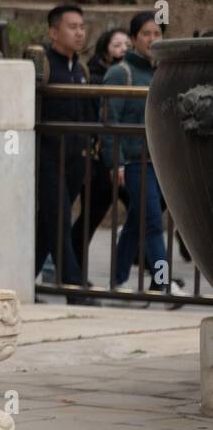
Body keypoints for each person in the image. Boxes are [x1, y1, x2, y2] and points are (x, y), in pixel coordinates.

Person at [101, 11, 183, 296]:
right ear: (134, 38)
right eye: (146, 34)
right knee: (150, 220)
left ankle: (117, 278)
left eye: (157, 34)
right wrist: (116, 162)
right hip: (134, 161)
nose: (152, 39)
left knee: (138, 219)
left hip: (160, 160)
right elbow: (110, 121)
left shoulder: (161, 72)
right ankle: (162, 281)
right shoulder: (120, 73)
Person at [33, 4, 95, 300]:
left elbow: (87, 112)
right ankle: (73, 287)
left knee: (49, 224)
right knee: (58, 220)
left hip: (75, 159)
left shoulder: (80, 69)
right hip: (48, 157)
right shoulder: (43, 64)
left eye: (82, 27)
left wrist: (88, 148)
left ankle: (21, 277)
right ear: (53, 32)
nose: (79, 32)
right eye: (72, 27)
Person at [68, 28, 131, 265]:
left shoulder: (127, 75)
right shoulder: (95, 76)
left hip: (117, 157)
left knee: (142, 212)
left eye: (126, 44)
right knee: (91, 216)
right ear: (105, 47)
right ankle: (71, 268)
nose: (123, 49)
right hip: (100, 158)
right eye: (117, 44)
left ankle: (141, 259)